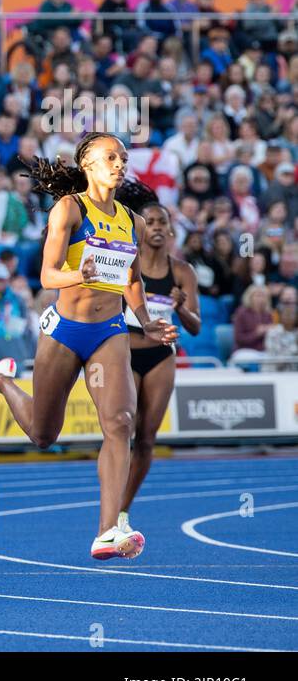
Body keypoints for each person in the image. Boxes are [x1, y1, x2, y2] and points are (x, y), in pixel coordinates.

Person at [0, 131, 177, 560]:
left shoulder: (132, 221)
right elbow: (47, 275)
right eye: (110, 157)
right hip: (65, 330)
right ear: (87, 163)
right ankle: (3, 381)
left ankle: (107, 530)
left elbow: (133, 280)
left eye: (123, 157)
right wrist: (77, 274)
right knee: (44, 434)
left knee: (122, 422)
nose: (119, 164)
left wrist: (146, 322)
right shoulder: (69, 209)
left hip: (109, 331)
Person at [116, 180, 201, 535]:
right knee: (123, 428)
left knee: (147, 437)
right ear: (139, 227)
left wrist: (181, 309)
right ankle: (111, 497)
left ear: (170, 229)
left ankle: (122, 510)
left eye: (163, 223)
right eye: (150, 222)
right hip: (126, 352)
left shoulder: (182, 271)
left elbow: (195, 328)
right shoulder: (125, 265)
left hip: (161, 356)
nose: (157, 228)